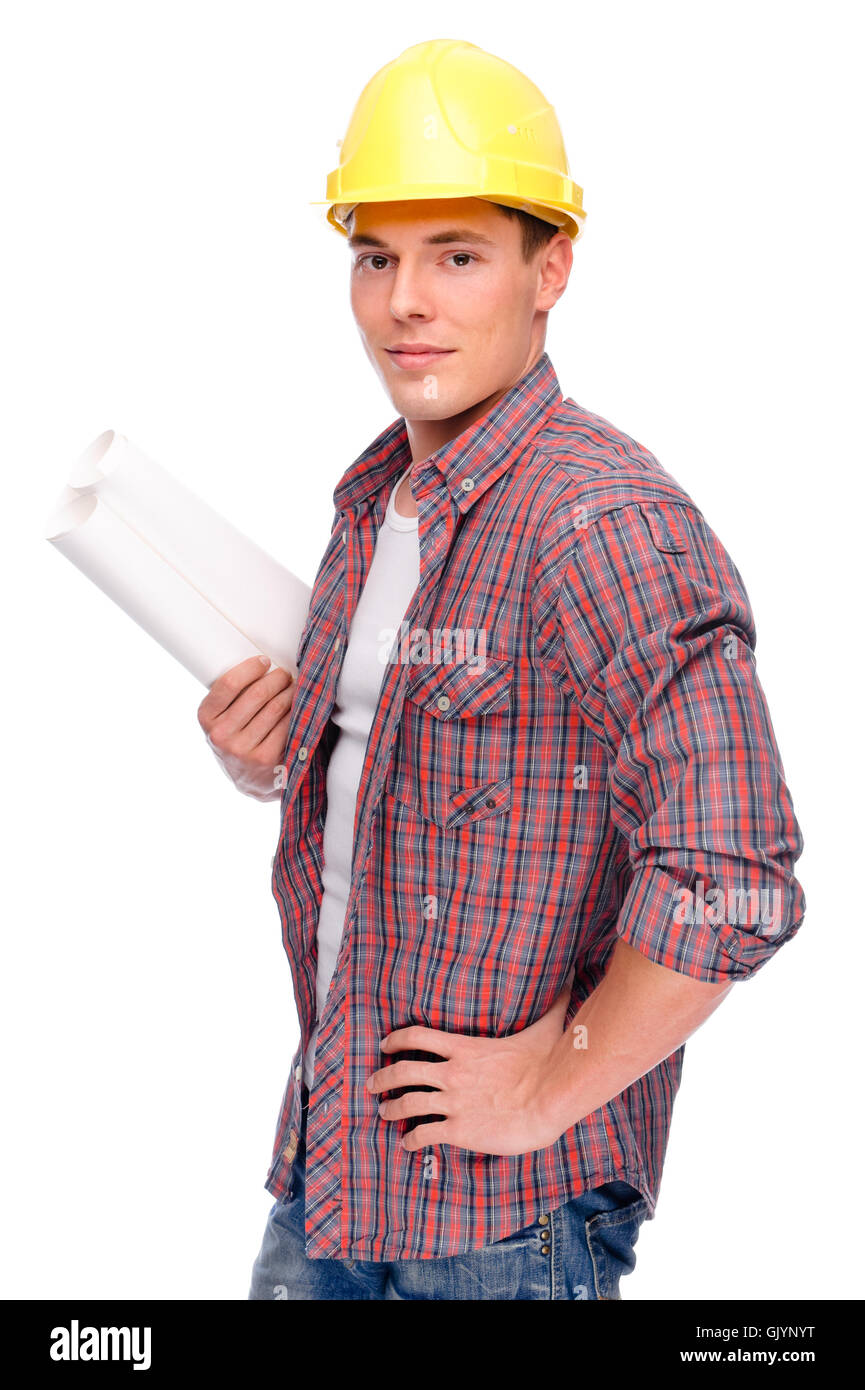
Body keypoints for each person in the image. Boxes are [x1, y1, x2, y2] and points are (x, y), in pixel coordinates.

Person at [197, 39, 806, 1300]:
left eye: (457, 256)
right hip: (333, 1169)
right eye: (376, 258)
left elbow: (732, 868)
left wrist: (549, 1081)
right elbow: (420, 785)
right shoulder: (381, 503)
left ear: (551, 270)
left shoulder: (601, 524)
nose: (404, 303)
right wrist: (273, 754)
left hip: (503, 1224)